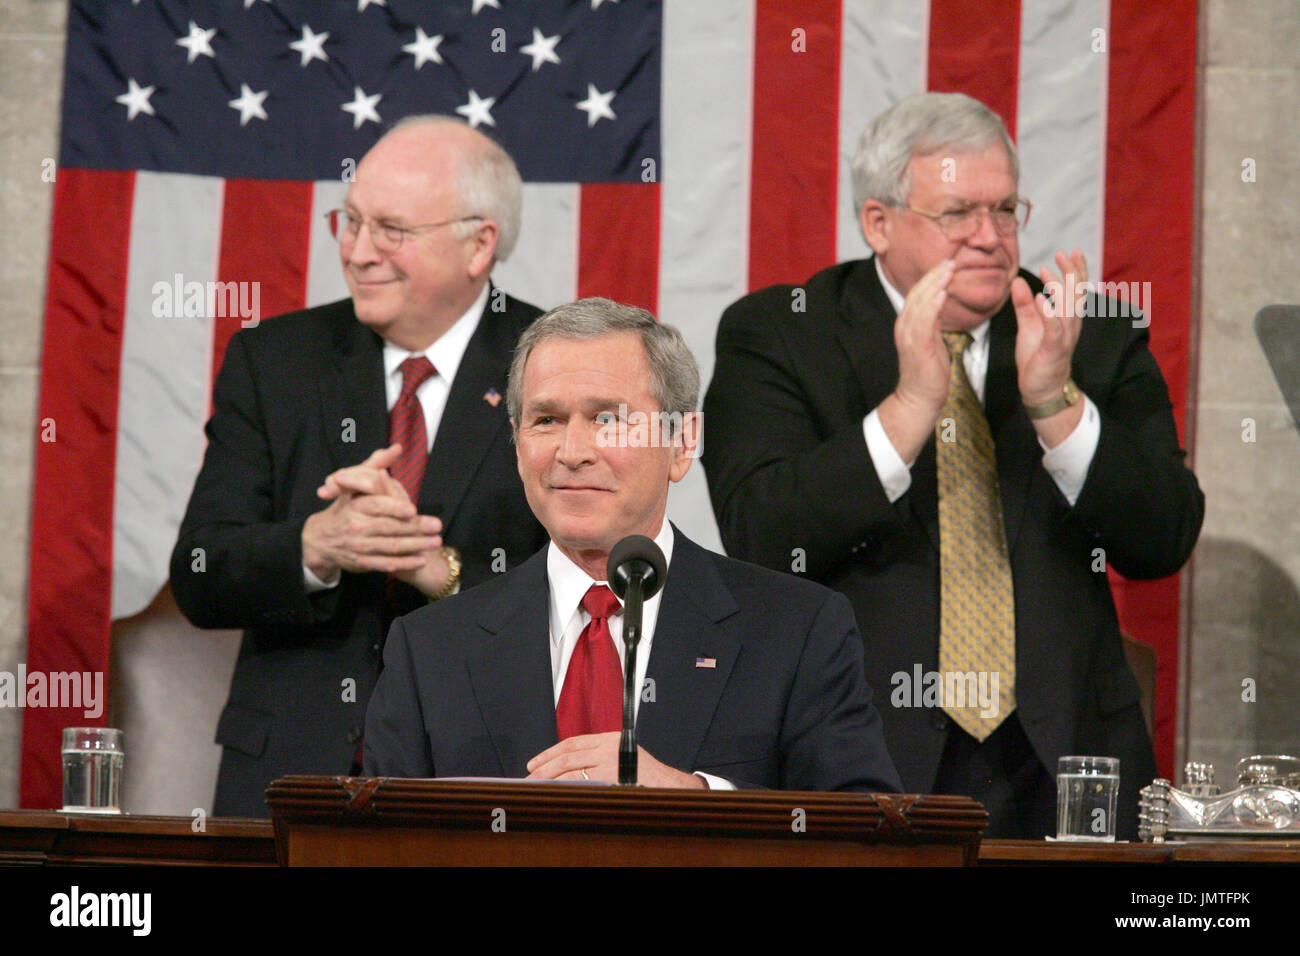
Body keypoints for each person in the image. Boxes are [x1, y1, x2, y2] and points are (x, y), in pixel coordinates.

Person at [702, 92, 1203, 837]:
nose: (991, 239)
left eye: (1006, 211)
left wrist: (1056, 406)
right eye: (957, 214)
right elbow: (763, 535)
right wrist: (907, 409)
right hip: (858, 754)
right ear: (879, 222)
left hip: (1069, 762)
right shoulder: (780, 333)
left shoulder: (1086, 335)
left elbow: (1163, 537)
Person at [363, 298, 902, 793]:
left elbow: (863, 834)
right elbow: (378, 844)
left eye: (608, 420)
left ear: (682, 442)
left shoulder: (798, 629)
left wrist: (695, 797)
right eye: (547, 420)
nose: (572, 452)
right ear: (517, 441)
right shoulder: (427, 648)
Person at [170, 116, 549, 817]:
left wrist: (448, 575)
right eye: (348, 222)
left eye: (391, 230)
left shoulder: (555, 365)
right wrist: (315, 545)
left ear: (479, 245)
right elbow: (199, 571)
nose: (357, 251)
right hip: (290, 773)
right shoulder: (274, 362)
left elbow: (608, 592)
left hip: (486, 776)